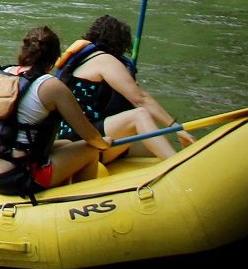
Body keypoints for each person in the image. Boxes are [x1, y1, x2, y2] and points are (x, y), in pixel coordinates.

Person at [0, 25, 110, 197]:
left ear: (24, 50)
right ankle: (83, 205)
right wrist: (104, 144)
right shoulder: (50, 86)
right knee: (90, 150)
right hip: (17, 178)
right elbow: (90, 136)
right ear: (54, 58)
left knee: (67, 145)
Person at [54, 16, 193, 161]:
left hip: (73, 141)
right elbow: (141, 99)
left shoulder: (82, 60)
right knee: (140, 115)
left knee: (153, 142)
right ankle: (177, 164)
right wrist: (176, 128)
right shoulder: (104, 60)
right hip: (85, 141)